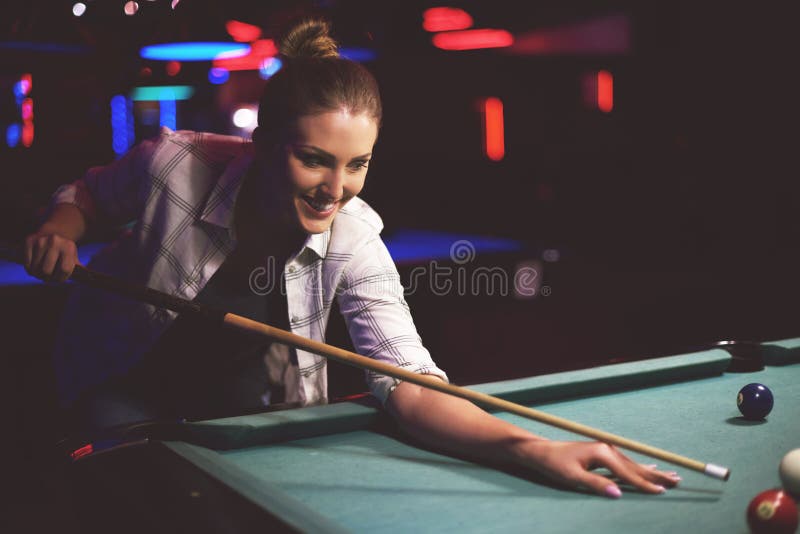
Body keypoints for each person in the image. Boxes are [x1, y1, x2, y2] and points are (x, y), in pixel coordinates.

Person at [24, 19, 679, 499]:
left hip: (247, 408)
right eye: (313, 158)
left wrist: (530, 448)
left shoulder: (355, 236)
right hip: (120, 381)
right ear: (262, 141)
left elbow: (410, 385)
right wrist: (60, 226)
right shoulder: (172, 163)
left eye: (356, 164)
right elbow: (86, 195)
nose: (335, 188)